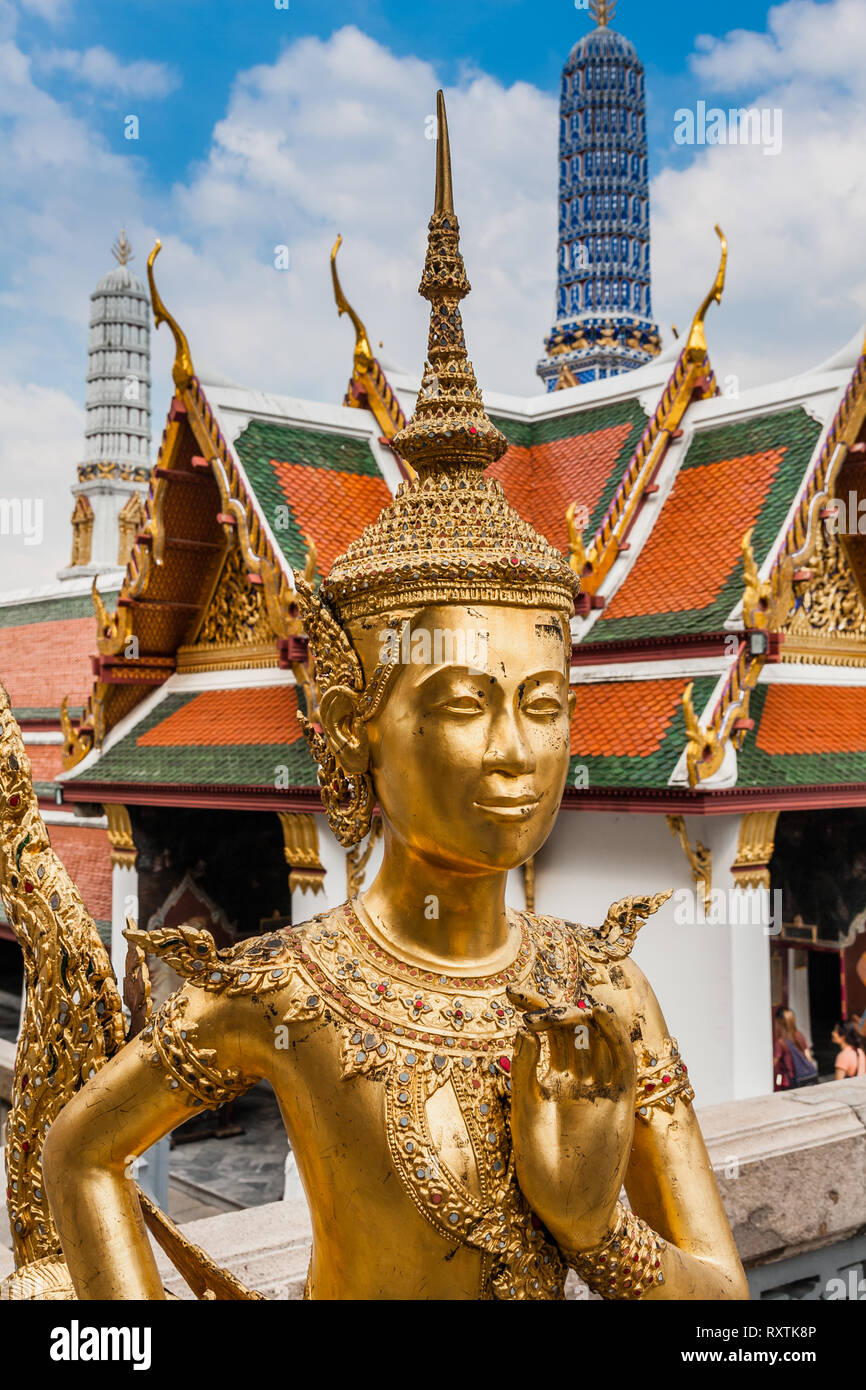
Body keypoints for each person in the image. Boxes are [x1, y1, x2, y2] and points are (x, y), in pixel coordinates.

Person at [35, 94, 748, 1302]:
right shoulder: (290, 985)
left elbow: (731, 1322)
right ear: (354, 722)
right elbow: (77, 1152)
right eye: (466, 703)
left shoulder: (602, 993)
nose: (518, 752)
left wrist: (595, 1230)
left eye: (542, 700)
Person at [773, 1006, 818, 1087]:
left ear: (778, 1023)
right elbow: (808, 1058)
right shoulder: (799, 1035)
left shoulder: (780, 1042)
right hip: (806, 1077)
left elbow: (774, 1063)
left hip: (790, 1080)